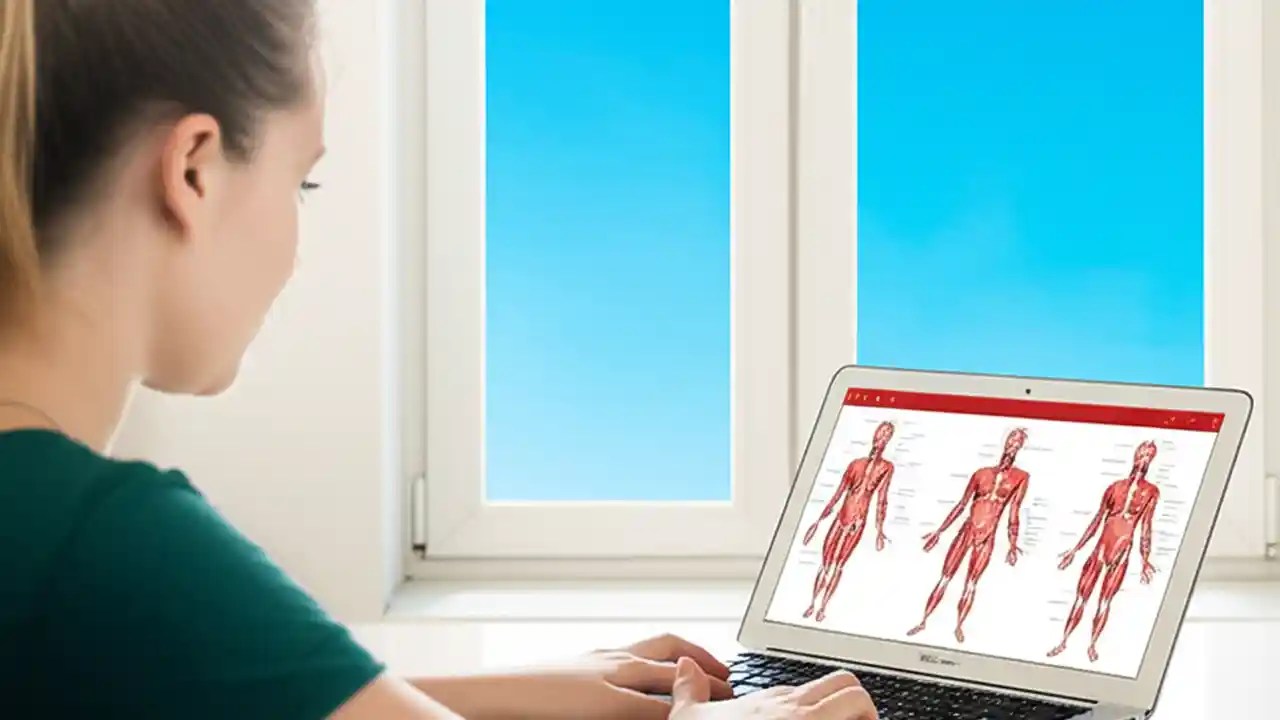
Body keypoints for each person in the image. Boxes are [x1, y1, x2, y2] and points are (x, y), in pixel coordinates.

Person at [0, 2, 878, 718]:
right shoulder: (111, 547)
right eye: (301, 182)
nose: (297, 245)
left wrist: (495, 691)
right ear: (194, 170)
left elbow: (178, 682)